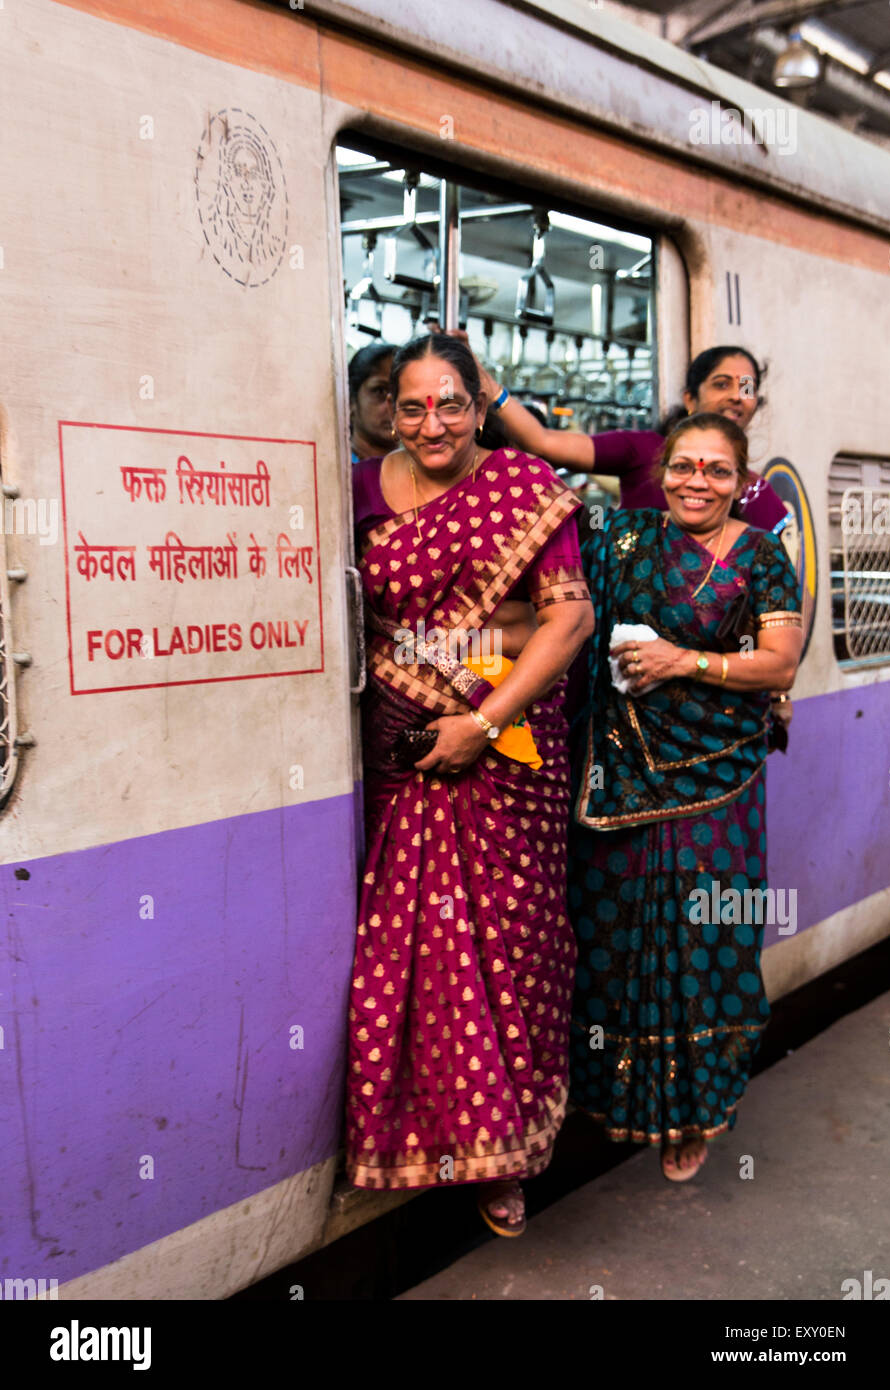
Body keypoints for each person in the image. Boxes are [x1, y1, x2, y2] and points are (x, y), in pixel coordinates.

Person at [345, 334, 594, 1235]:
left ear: (480, 400)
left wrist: (482, 725)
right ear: (390, 411)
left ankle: (506, 1155)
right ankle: (417, 1136)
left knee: (511, 949)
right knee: (405, 951)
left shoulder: (527, 491)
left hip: (508, 747)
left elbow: (570, 618)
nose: (431, 423)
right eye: (411, 406)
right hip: (398, 748)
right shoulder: (361, 492)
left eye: (449, 402)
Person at [568, 411, 801, 1181]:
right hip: (622, 776)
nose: (695, 482)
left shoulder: (764, 556)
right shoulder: (623, 539)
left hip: (718, 781)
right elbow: (568, 609)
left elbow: (779, 666)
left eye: (716, 470)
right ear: (661, 470)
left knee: (706, 943)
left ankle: (692, 1112)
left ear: (740, 482)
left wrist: (682, 663)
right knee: (616, 938)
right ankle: (617, 1098)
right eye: (682, 466)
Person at [471, 344, 789, 533]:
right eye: (722, 384)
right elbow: (541, 442)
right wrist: (484, 381)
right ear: (690, 399)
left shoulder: (755, 490)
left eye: (747, 388)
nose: (736, 396)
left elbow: (781, 603)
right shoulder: (643, 449)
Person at [348, 342, 395, 463]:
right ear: (351, 401)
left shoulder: (423, 473)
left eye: (401, 392)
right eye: (380, 391)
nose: (394, 406)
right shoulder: (336, 470)